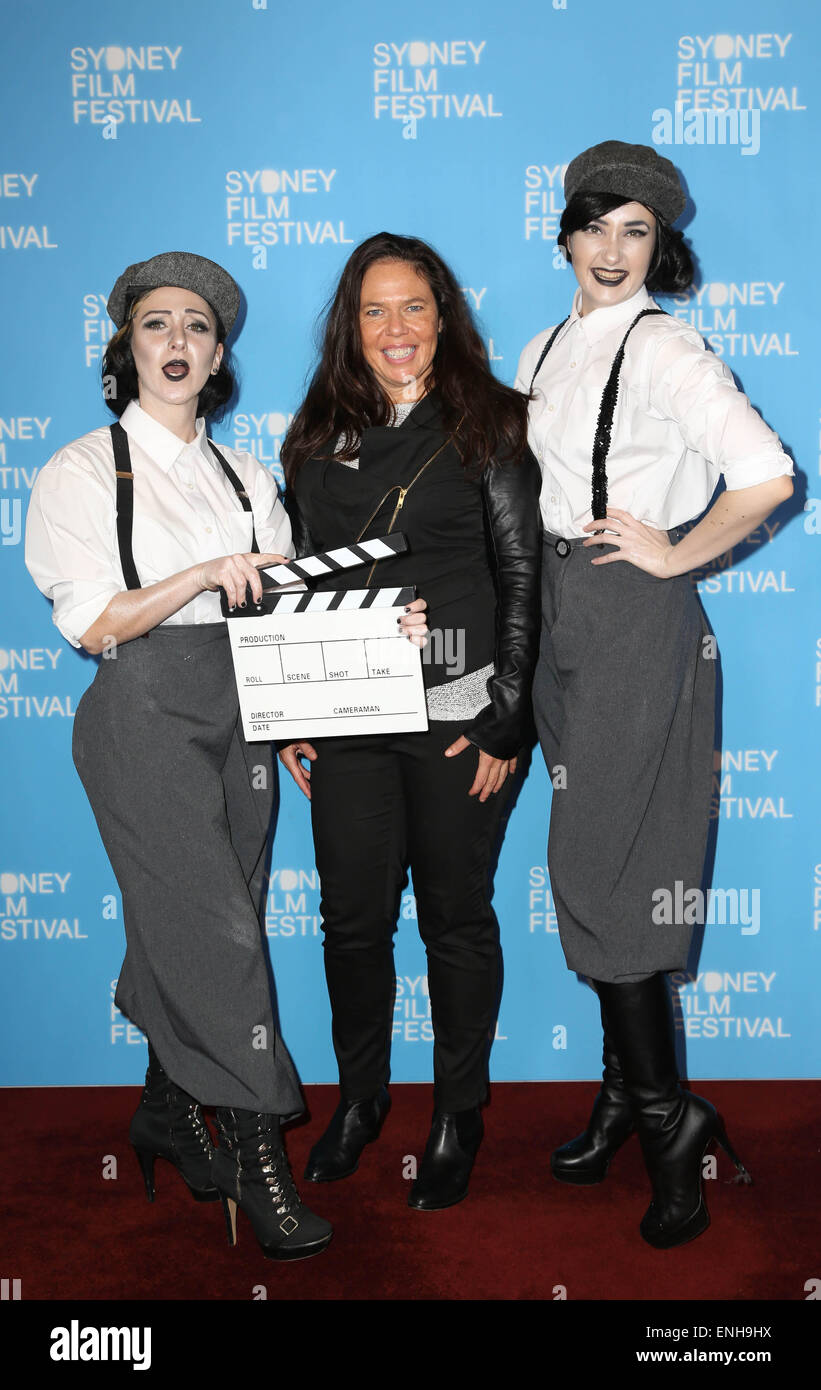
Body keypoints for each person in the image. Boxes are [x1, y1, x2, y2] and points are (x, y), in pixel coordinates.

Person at [25, 250, 426, 1262]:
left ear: (217, 357)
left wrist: (378, 643)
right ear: (127, 347)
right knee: (221, 936)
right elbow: (92, 624)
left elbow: (288, 612)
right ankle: (258, 1163)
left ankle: (165, 1108)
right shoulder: (78, 470)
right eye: (155, 324)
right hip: (142, 709)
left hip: (244, 706)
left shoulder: (248, 475)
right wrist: (203, 573)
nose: (176, 341)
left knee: (221, 917)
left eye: (196, 327)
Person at [515, 142, 794, 1248]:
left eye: (637, 231)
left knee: (606, 867)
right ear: (564, 234)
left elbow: (767, 475)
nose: (613, 249)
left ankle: (669, 1119)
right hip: (553, 616)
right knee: (599, 871)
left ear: (659, 246)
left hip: (631, 615)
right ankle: (625, 1097)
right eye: (595, 225)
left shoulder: (667, 345)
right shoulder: (537, 346)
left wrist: (676, 554)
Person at [279, 231, 541, 1210]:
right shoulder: (312, 432)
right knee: (349, 923)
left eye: (413, 307)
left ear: (445, 316)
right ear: (351, 323)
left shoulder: (492, 421)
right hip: (346, 716)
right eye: (374, 309)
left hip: (457, 714)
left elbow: (522, 573)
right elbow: (294, 583)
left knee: (455, 919)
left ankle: (457, 1112)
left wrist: (507, 718)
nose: (395, 328)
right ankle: (359, 1097)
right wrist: (295, 706)